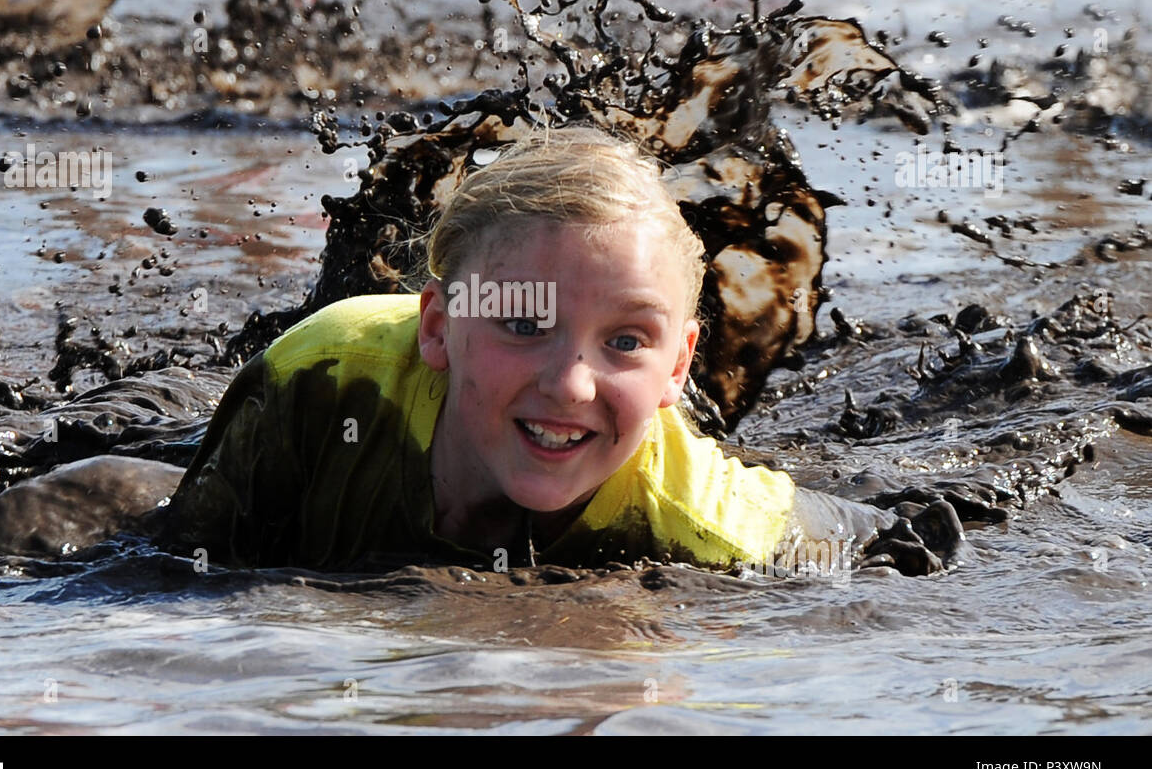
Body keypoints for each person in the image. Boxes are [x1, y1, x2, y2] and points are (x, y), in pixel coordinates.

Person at [150, 125, 889, 572]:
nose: (571, 385)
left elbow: (902, 541)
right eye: (524, 325)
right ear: (437, 326)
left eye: (626, 341)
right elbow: (174, 569)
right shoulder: (319, 383)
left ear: (678, 365)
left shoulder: (701, 514)